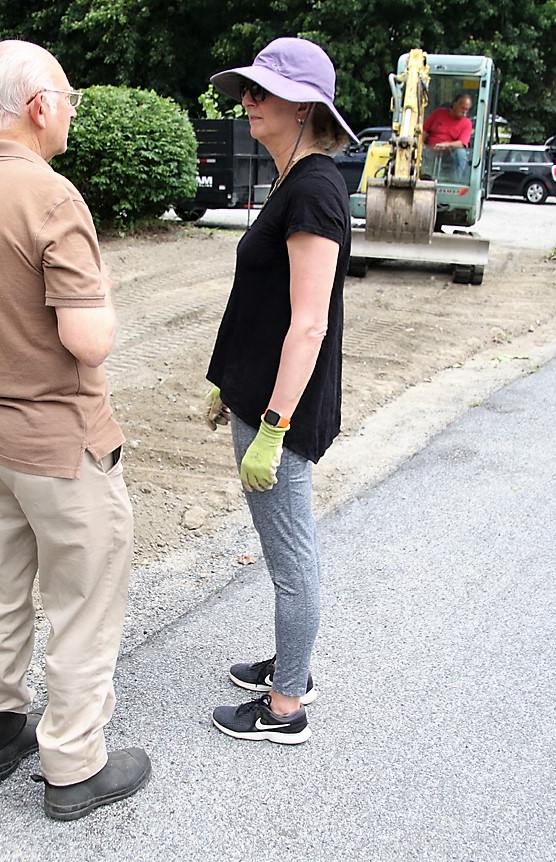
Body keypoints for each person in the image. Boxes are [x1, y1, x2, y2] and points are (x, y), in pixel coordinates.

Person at [0, 40, 150, 820]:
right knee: (83, 597)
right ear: (40, 106)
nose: (71, 112)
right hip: (55, 441)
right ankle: (74, 765)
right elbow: (89, 340)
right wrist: (104, 288)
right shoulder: (50, 198)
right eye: (68, 99)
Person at [204, 37, 354, 744]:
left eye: (261, 91)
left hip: (281, 413)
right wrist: (226, 382)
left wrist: (272, 426)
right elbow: (262, 304)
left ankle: (286, 705)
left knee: (292, 561)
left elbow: (309, 323)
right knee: (283, 551)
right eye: (247, 89)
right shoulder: (293, 179)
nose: (247, 100)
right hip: (260, 395)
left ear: (303, 108)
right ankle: (289, 664)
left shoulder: (314, 190)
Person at [422, 93, 473, 180]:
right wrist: (421, 144)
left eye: (466, 109)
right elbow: (424, 130)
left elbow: (462, 143)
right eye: (462, 108)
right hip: (429, 150)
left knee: (461, 153)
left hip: (449, 155)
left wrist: (446, 145)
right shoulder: (438, 113)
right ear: (454, 104)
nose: (464, 112)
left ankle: (455, 181)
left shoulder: (467, 123)